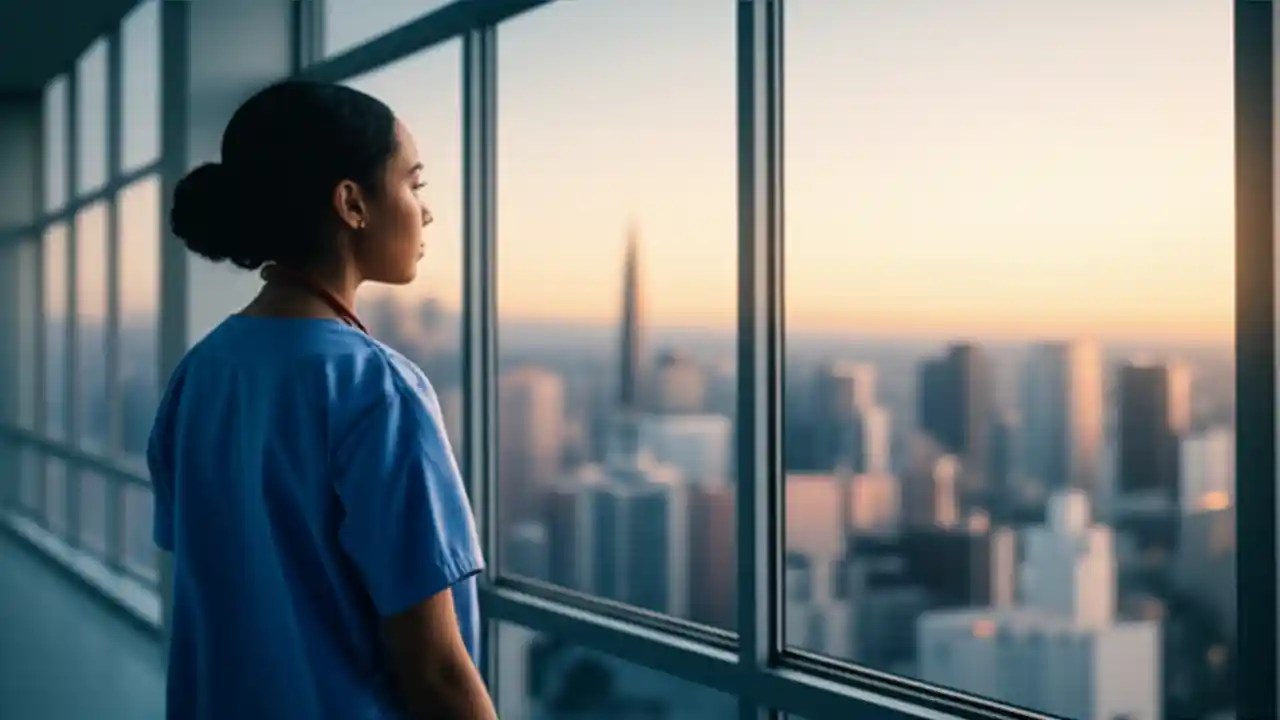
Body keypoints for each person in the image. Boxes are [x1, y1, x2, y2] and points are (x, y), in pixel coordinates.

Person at [149, 81, 497, 720]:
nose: (427, 211)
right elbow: (438, 672)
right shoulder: (379, 390)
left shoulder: (201, 372)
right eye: (413, 185)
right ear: (352, 204)